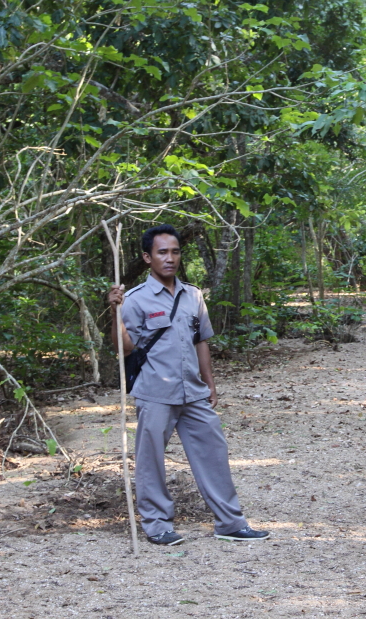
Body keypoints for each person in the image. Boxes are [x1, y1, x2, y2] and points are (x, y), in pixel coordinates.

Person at [108, 224, 269, 545]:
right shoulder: (135, 300)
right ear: (147, 258)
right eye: (162, 252)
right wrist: (114, 310)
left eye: (175, 251)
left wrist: (210, 382)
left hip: (193, 392)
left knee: (214, 452)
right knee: (151, 459)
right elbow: (123, 348)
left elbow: (201, 342)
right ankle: (157, 524)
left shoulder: (194, 295)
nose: (170, 258)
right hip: (155, 392)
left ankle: (230, 522)